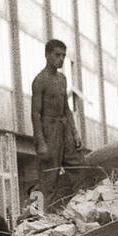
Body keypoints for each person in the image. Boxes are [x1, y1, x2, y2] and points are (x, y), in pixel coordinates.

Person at [31, 39, 83, 201]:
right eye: (57, 55)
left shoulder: (62, 79)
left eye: (63, 56)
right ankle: (46, 212)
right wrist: (40, 142)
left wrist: (75, 133)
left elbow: (66, 108)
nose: (61, 59)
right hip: (49, 129)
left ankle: (81, 203)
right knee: (49, 177)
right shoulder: (40, 80)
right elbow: (35, 113)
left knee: (79, 167)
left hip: (64, 127)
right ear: (47, 55)